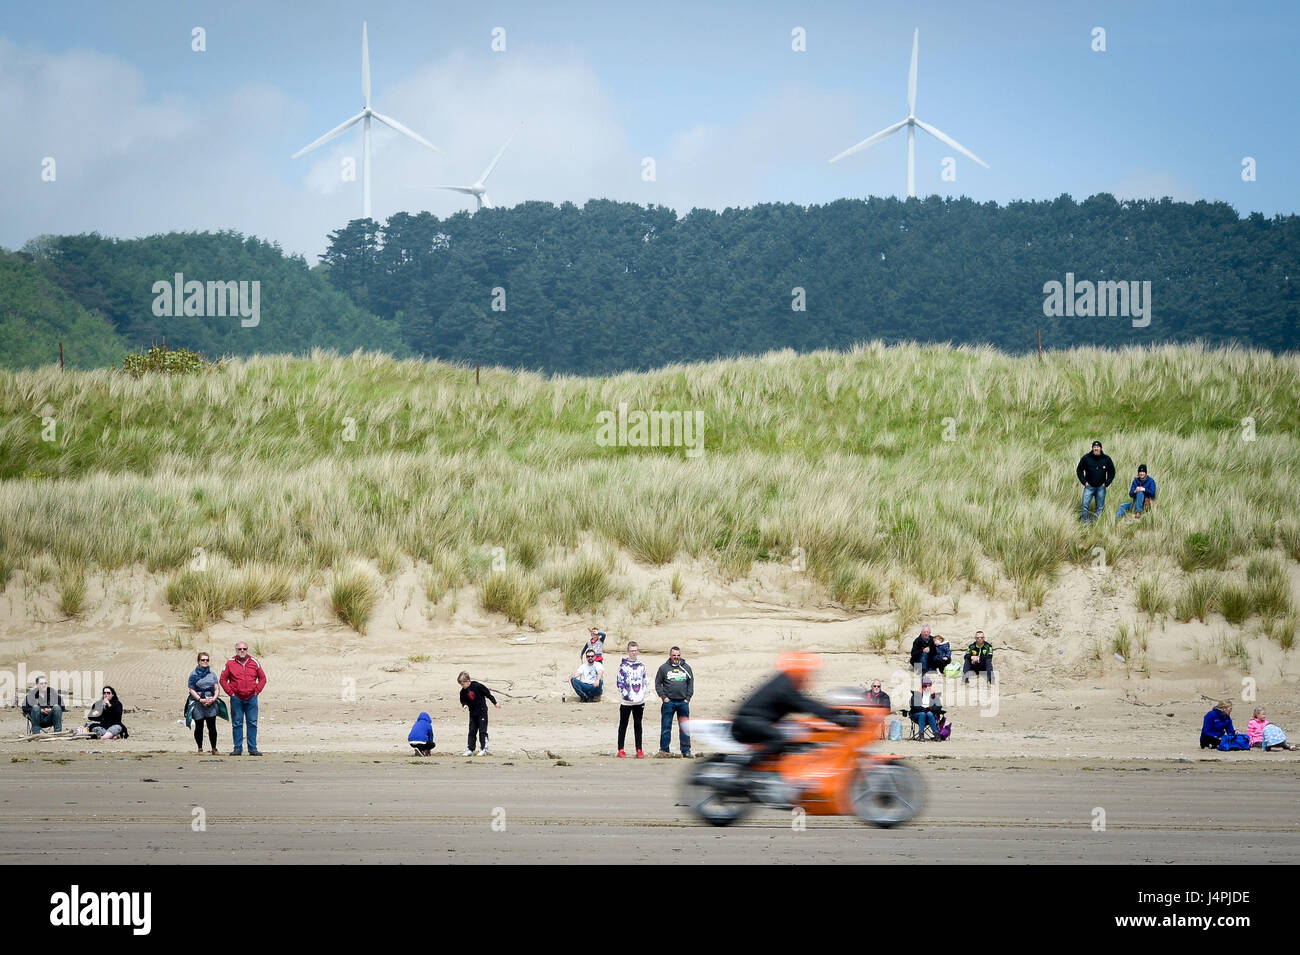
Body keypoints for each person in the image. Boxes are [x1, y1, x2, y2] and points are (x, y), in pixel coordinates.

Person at [731, 652, 858, 763]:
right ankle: (747, 768)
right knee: (778, 739)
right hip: (748, 723)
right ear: (799, 670)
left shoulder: (784, 682)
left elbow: (805, 704)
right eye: (808, 671)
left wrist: (836, 712)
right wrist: (838, 718)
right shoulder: (784, 687)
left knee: (796, 740)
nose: (809, 675)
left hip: (754, 722)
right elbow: (805, 704)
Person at [219, 641, 266, 756]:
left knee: (252, 723)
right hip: (237, 698)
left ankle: (253, 748)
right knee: (237, 723)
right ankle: (237, 748)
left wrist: (256, 691)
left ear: (247, 650)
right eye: (239, 649)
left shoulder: (254, 662)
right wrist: (231, 693)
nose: (242, 651)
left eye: (244, 648)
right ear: (236, 650)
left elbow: (263, 678)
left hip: (251, 698)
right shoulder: (230, 663)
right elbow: (222, 680)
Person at [655, 646, 694, 757]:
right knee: (666, 727)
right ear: (670, 656)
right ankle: (664, 750)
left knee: (685, 728)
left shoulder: (686, 668)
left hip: (683, 703)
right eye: (674, 655)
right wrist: (664, 697)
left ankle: (686, 751)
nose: (676, 657)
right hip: (669, 703)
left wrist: (688, 698)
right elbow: (658, 683)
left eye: (678, 655)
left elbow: (690, 684)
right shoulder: (663, 668)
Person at [616, 641, 648, 758]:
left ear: (637, 651)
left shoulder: (642, 666)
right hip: (626, 701)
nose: (633, 653)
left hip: (639, 701)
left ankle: (639, 749)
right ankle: (621, 749)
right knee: (623, 725)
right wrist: (625, 694)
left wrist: (642, 694)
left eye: (635, 650)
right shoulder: (623, 666)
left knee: (638, 725)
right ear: (628, 651)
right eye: (631, 650)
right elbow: (619, 682)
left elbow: (644, 681)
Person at [187, 651, 221, 755]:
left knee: (212, 727)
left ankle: (214, 748)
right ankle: (200, 748)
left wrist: (214, 699)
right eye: (203, 660)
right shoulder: (193, 674)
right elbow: (191, 689)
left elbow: (217, 688)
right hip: (198, 703)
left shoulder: (212, 674)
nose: (205, 662)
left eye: (207, 660)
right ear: (198, 661)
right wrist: (199, 699)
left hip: (211, 702)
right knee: (199, 726)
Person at [458, 671, 498, 755]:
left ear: (468, 681)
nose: (462, 686)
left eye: (463, 684)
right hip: (472, 713)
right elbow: (463, 699)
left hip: (482, 712)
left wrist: (495, 702)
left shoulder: (478, 686)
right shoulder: (462, 692)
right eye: (461, 684)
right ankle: (470, 749)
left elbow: (488, 694)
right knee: (472, 731)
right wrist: (464, 705)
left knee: (482, 731)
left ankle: (484, 748)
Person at [1077, 440, 1116, 523]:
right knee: (1084, 505)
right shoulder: (1086, 458)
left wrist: (1106, 483)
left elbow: (1112, 472)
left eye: (1098, 447)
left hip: (1101, 487)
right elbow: (1079, 470)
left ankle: (1096, 522)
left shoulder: (1106, 459)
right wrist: (1084, 482)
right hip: (1089, 486)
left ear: (1101, 448)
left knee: (1100, 507)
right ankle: (1085, 522)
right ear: (1092, 448)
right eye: (1094, 447)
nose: (1096, 448)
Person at [909, 676, 944, 741]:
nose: (927, 687)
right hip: (917, 715)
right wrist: (924, 709)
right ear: (922, 686)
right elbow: (914, 706)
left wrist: (930, 708)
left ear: (931, 685)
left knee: (930, 714)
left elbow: (939, 707)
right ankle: (921, 735)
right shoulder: (916, 694)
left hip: (930, 716)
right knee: (923, 714)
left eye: (929, 685)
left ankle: (936, 735)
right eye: (925, 685)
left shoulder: (935, 696)